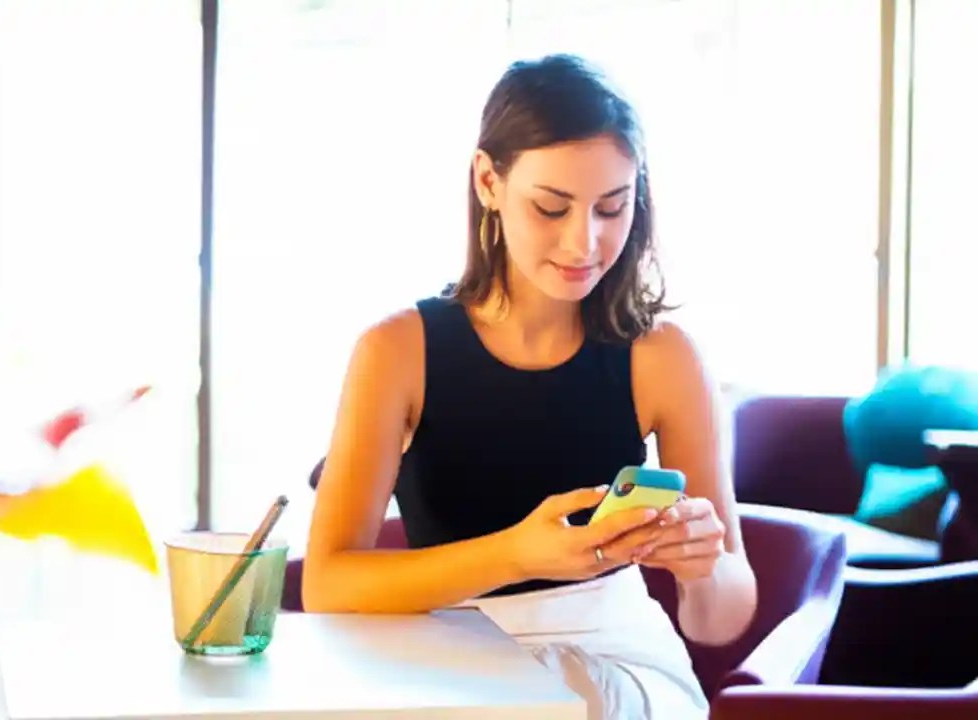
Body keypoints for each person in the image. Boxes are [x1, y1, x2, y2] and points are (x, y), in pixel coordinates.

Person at [302, 54, 758, 719]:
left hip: (616, 663)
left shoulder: (662, 356)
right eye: (552, 208)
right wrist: (517, 553)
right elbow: (328, 582)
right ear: (488, 180)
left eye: (613, 207)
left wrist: (702, 565)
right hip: (443, 659)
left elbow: (721, 619)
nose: (585, 243)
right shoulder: (396, 350)